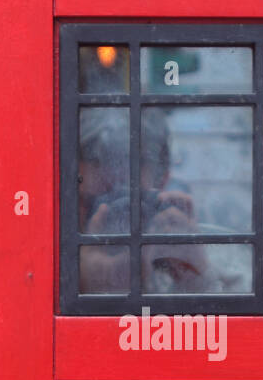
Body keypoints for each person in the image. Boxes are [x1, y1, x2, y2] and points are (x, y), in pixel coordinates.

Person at [77, 107, 212, 295]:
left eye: (130, 203)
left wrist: (196, 276)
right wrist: (79, 280)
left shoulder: (177, 245)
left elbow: (242, 296)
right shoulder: (54, 254)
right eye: (93, 204)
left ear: (162, 182)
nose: (117, 220)